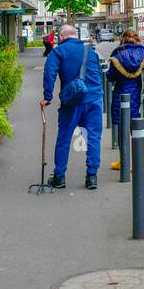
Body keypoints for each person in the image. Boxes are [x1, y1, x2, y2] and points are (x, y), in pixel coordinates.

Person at [41, 24, 103, 190]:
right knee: (93, 137)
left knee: (64, 138)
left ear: (61, 37)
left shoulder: (58, 51)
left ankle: (59, 177)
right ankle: (92, 177)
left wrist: (48, 97)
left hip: (72, 102)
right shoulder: (90, 51)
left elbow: (49, 73)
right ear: (76, 36)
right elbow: (97, 72)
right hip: (94, 98)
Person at [106, 30, 144, 171]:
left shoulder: (117, 54)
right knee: (141, 129)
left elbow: (110, 77)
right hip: (142, 96)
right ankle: (141, 163)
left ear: (123, 39)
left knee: (123, 129)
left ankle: (124, 162)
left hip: (122, 95)